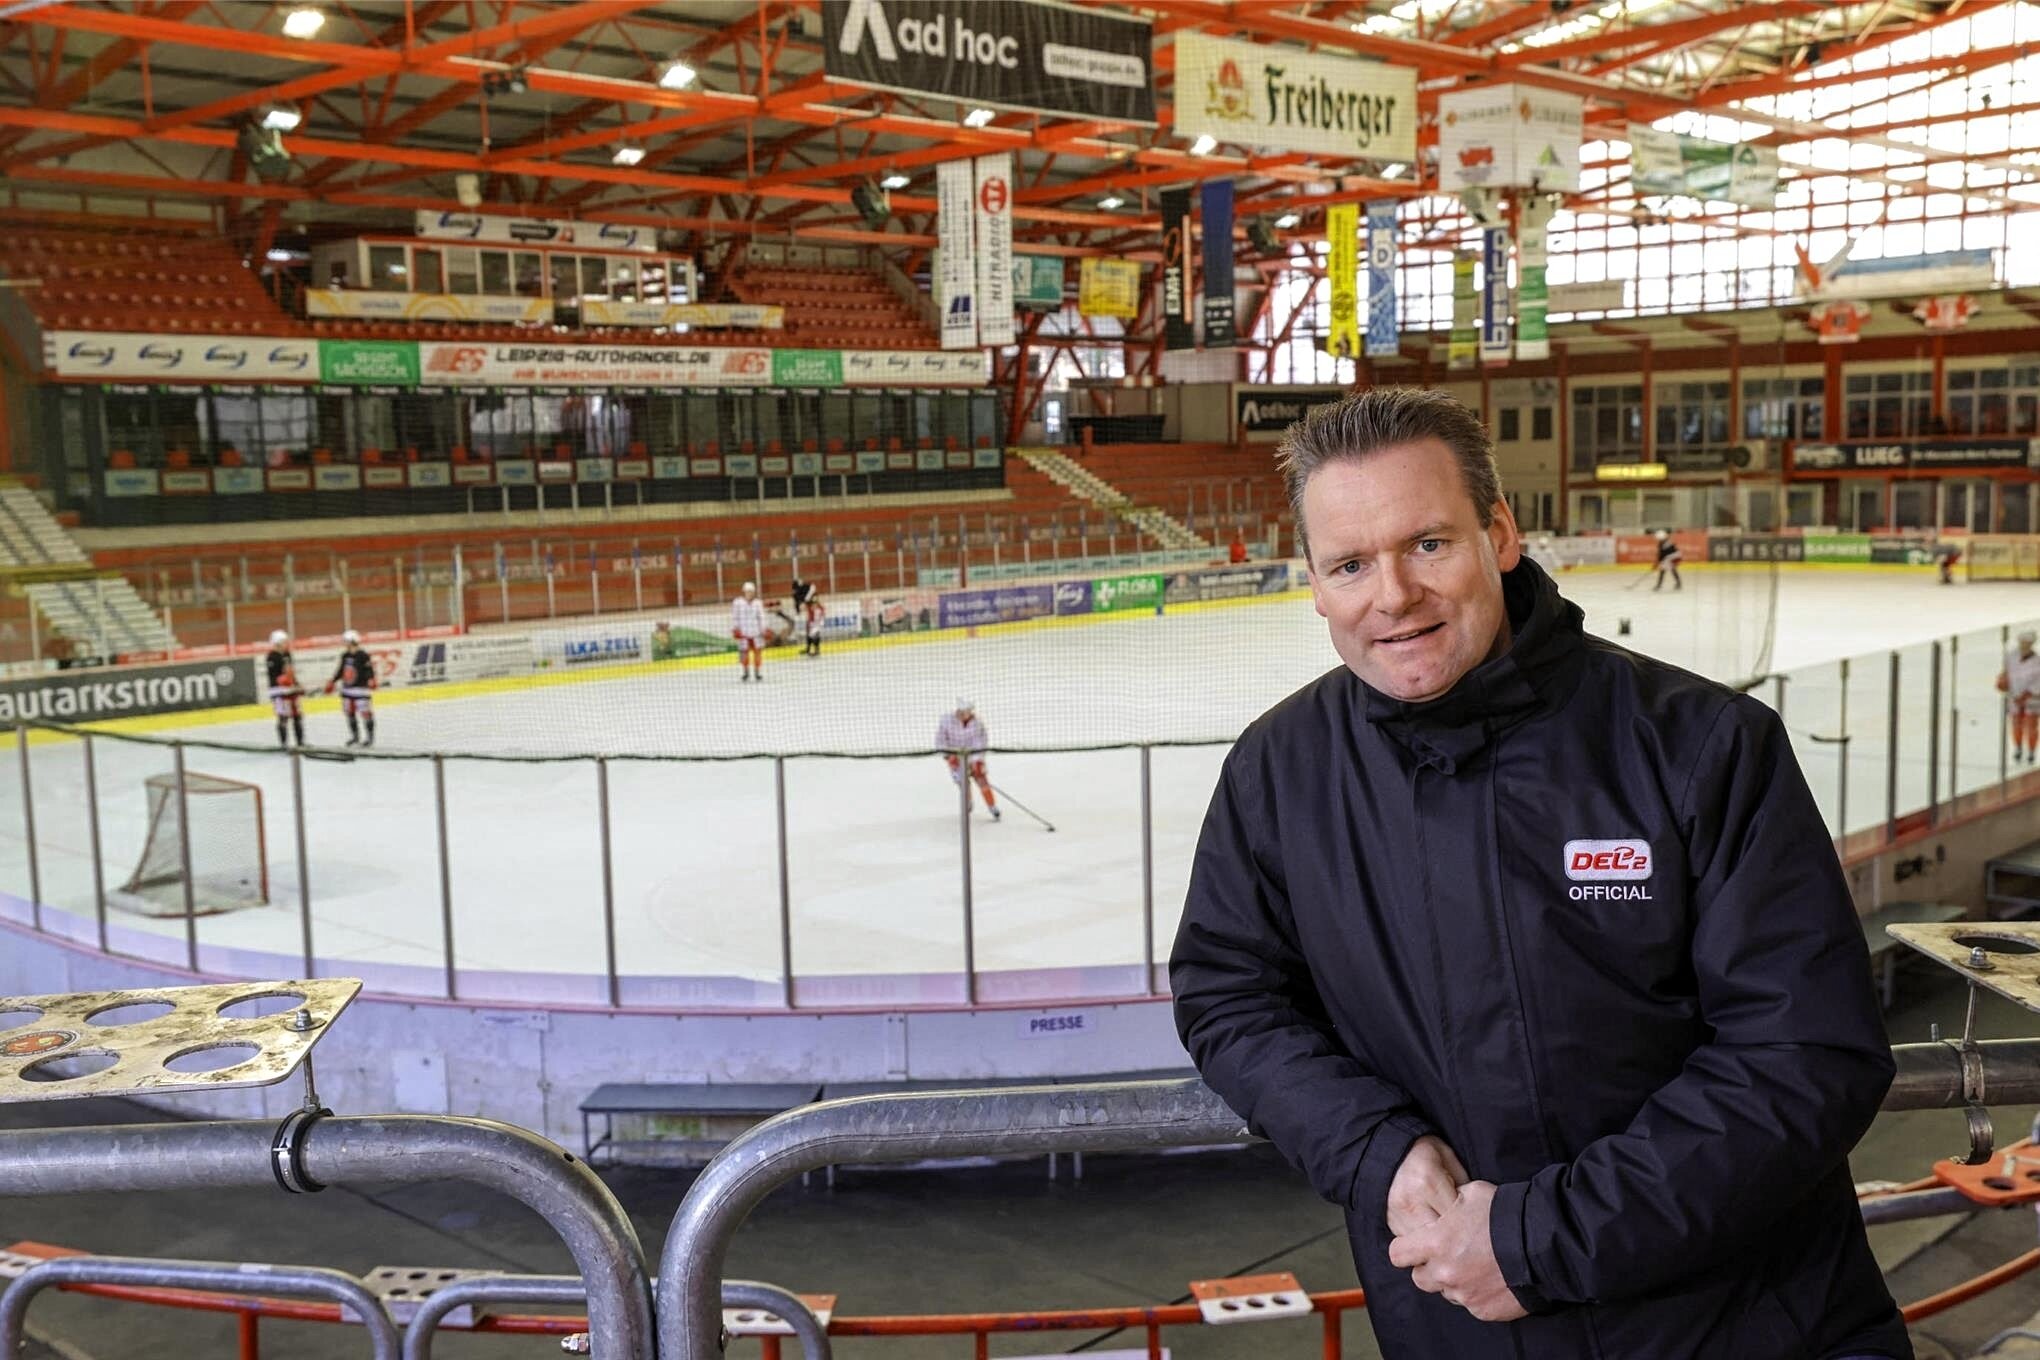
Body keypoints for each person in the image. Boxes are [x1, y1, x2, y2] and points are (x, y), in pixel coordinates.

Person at [1171, 389, 1904, 1360]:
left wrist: (1541, 1238)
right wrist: (1375, 1149)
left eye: (1427, 543)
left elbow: (1805, 1052)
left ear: (1501, 535)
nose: (1393, 594)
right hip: (1460, 1328)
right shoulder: (1279, 772)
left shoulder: (1700, 746)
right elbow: (1229, 995)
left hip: (1748, 1327)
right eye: (1351, 564)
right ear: (1314, 584)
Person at [935, 698, 998, 820]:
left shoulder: (978, 724)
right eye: (960, 711)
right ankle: (968, 801)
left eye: (965, 712)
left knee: (982, 780)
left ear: (970, 712)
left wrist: (977, 761)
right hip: (955, 756)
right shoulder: (946, 721)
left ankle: (992, 806)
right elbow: (940, 741)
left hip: (972, 756)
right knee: (963, 782)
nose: (961, 714)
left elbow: (981, 743)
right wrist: (948, 756)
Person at [322, 628, 376, 748]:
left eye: (346, 641)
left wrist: (371, 679)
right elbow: (341, 670)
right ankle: (355, 737)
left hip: (361, 689)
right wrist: (333, 681)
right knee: (350, 714)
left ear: (352, 641)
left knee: (366, 714)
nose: (344, 643)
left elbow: (369, 670)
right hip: (347, 690)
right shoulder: (345, 655)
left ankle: (369, 738)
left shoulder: (363, 655)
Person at [2001, 630, 2040, 763]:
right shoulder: (2011, 657)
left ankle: (2031, 751)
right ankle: (2018, 747)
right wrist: (2003, 681)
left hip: (2031, 699)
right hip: (2014, 696)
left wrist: (2028, 694)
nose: (2024, 645)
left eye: (2027, 643)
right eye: (2022, 643)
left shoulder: (2037, 662)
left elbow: (2038, 682)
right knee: (2016, 723)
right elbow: (2006, 673)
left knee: (2031, 725)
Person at [264, 629, 305, 748]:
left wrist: (297, 684)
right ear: (277, 642)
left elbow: (290, 672)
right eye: (283, 641)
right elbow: (273, 677)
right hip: (279, 691)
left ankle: (300, 743)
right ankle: (284, 745)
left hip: (290, 690)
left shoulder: (287, 654)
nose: (286, 643)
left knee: (297, 716)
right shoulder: (271, 657)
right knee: (283, 717)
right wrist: (284, 684)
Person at [731, 581, 766, 682]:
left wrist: (763, 629)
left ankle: (757, 672)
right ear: (744, 592)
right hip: (744, 632)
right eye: (748, 591)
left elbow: (761, 617)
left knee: (757, 653)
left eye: (751, 591)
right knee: (744, 654)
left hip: (756, 632)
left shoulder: (758, 603)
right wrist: (735, 628)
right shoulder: (738, 603)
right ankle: (745, 672)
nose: (750, 593)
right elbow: (735, 616)